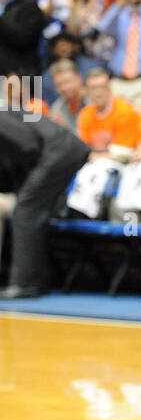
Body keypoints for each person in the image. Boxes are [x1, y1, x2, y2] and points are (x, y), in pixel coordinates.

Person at [0, 74, 91, 298]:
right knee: (34, 212)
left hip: (58, 152)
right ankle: (38, 281)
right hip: (63, 151)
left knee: (25, 210)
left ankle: (25, 284)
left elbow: (28, 145)